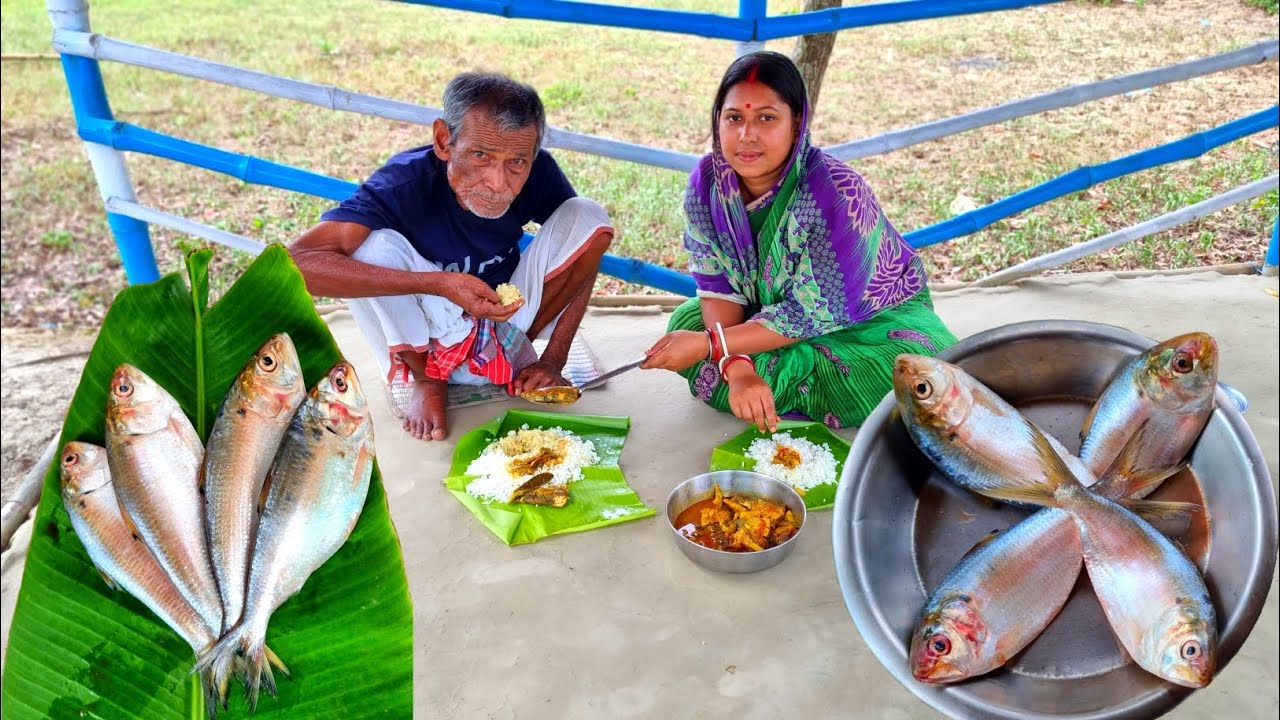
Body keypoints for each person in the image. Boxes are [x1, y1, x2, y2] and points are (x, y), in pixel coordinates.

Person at [642, 51, 956, 432]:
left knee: (912, 373)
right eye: (734, 118)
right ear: (717, 122)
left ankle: (778, 382)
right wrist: (735, 365)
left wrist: (711, 347)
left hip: (866, 323)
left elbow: (809, 314)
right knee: (686, 320)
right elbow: (718, 288)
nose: (747, 135)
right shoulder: (708, 185)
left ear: (797, 125)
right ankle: (765, 379)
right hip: (765, 311)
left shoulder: (835, 192)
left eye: (767, 118)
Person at [289, 72, 613, 441]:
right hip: (424, 340)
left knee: (587, 218)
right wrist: (440, 284)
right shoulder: (403, 184)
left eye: (516, 163)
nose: (498, 181)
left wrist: (553, 359)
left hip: (504, 325)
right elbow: (298, 262)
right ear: (444, 141)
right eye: (480, 155)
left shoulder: (538, 172)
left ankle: (517, 358)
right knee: (371, 247)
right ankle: (427, 381)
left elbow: (581, 252)